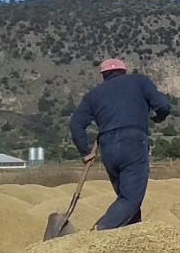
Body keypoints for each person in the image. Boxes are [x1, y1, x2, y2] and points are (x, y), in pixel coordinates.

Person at [69, 58, 172, 230]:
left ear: (103, 75)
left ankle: (131, 237)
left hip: (108, 149)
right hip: (133, 143)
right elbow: (163, 105)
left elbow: (76, 124)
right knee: (131, 199)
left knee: (125, 199)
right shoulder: (139, 81)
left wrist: (85, 152)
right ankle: (99, 231)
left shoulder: (93, 95)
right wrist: (159, 117)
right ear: (124, 71)